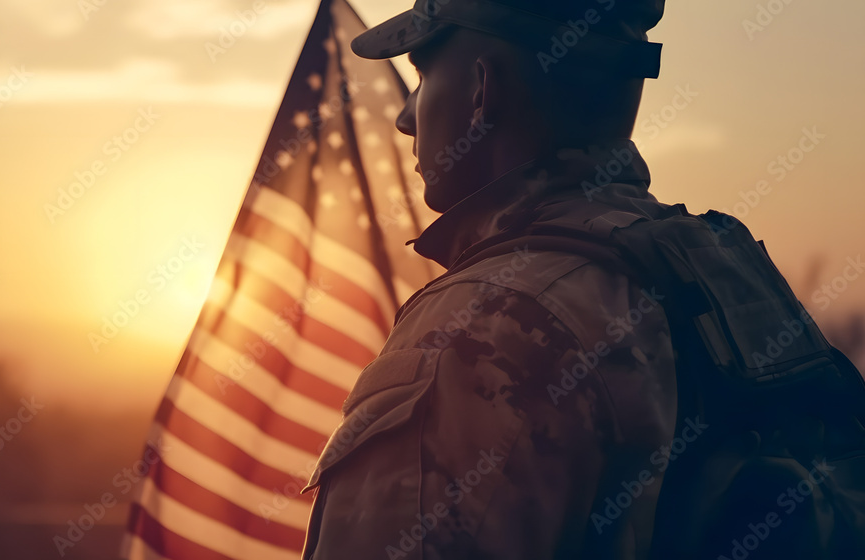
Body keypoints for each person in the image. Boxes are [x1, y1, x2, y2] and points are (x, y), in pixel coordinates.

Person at [298, 1, 861, 558]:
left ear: (481, 91)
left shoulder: (482, 327)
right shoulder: (718, 270)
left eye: (421, 74)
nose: (404, 115)